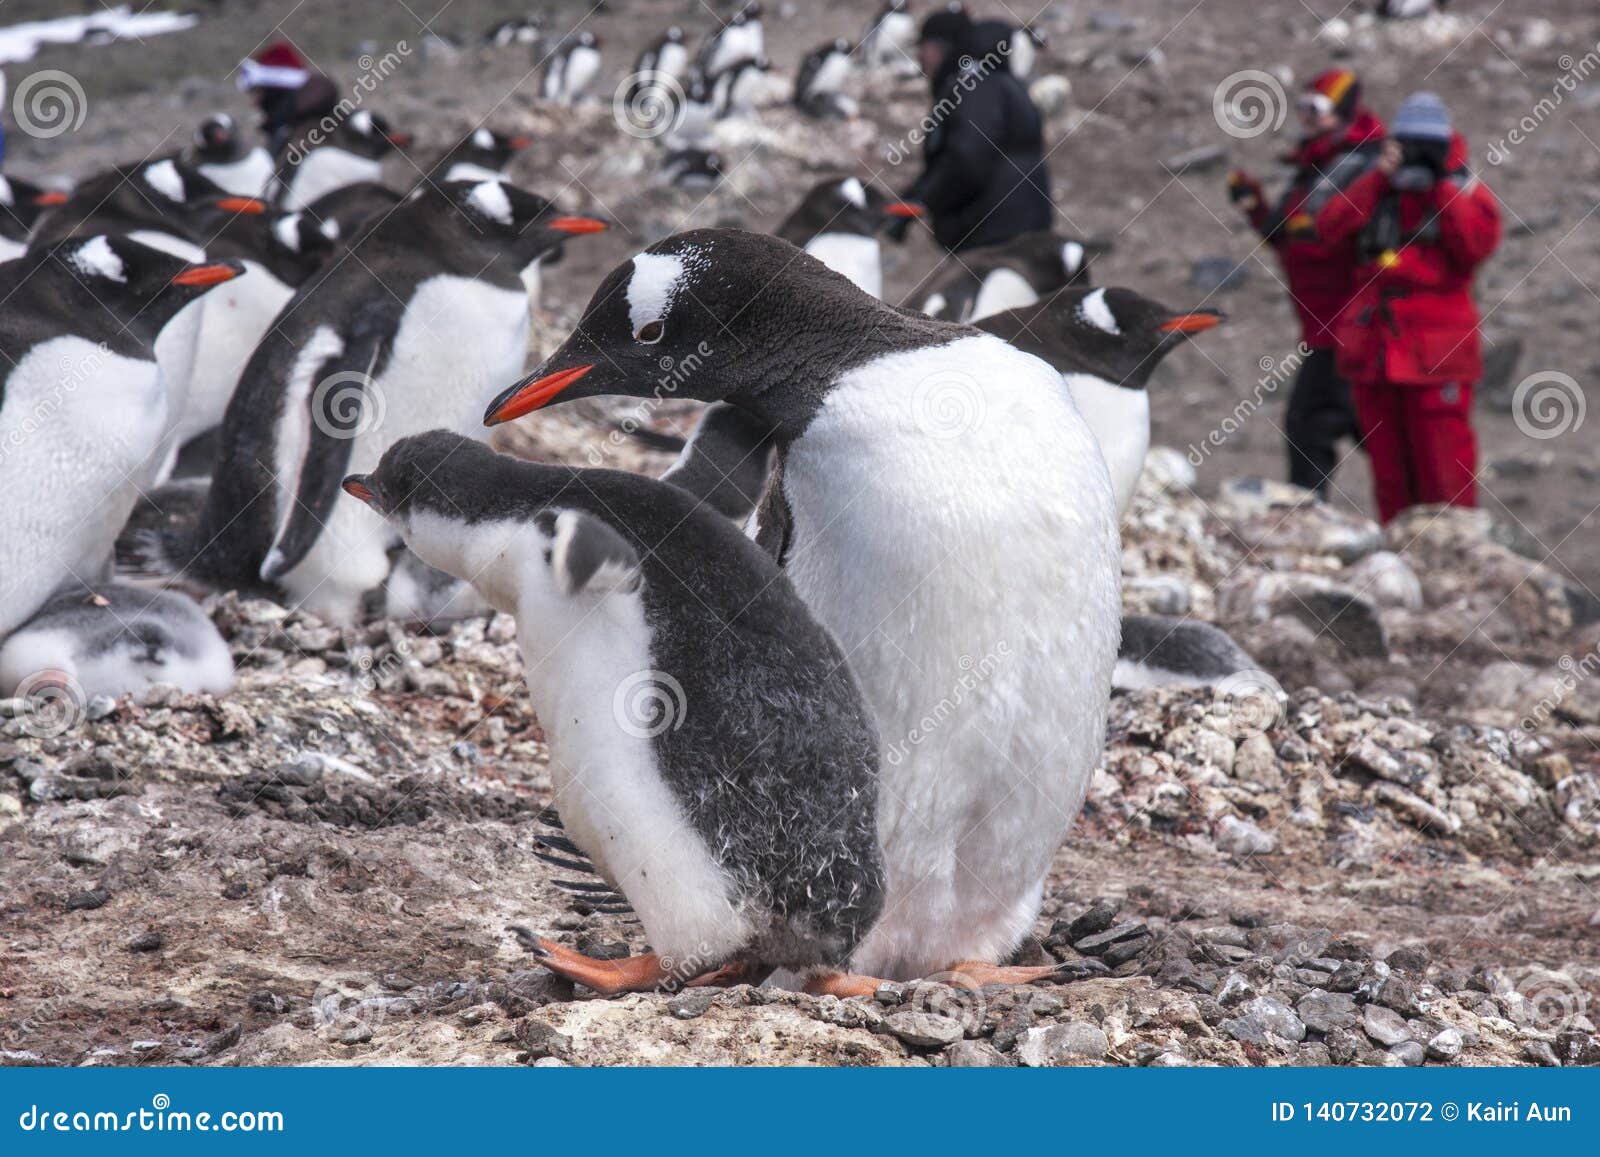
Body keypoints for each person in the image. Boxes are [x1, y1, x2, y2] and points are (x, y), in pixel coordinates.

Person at [1315, 91, 1501, 523]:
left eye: (1426, 145)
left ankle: (1455, 552)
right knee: (1390, 475)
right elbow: (1329, 229)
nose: (1416, 154)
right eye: (1408, 144)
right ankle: (1399, 551)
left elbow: (1476, 245)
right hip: (1377, 355)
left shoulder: (1461, 187)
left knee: (1445, 475)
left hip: (1436, 360)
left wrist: (1441, 183)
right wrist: (1379, 179)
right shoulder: (1377, 186)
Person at [1228, 69, 1384, 498]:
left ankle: (1310, 512)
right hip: (1323, 325)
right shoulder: (1318, 165)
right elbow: (1286, 237)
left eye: (1317, 108)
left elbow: (1346, 238)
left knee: (1314, 422)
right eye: (1302, 107)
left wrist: (1309, 234)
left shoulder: (1361, 167)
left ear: (1343, 111)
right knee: (1356, 425)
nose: (1306, 117)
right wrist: (1256, 209)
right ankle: (1413, 507)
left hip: (1350, 323)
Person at [899, 5, 1051, 252]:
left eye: (923, 47)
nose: (919, 57)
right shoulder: (998, 82)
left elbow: (967, 157)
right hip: (1015, 232)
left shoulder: (976, 86)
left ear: (939, 47)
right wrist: (914, 199)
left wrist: (925, 200)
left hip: (995, 238)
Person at [237, 41, 338, 155]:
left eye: (258, 92)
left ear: (274, 90)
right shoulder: (286, 129)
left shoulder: (309, 129)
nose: (254, 103)